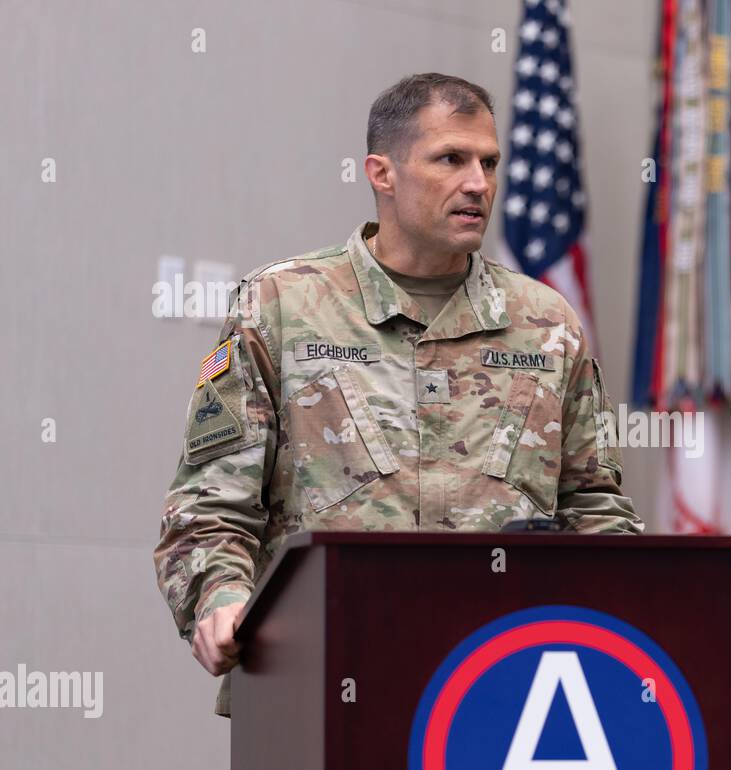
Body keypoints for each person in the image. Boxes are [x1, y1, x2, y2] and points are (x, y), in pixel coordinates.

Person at [154, 73, 643, 717]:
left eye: (489, 163)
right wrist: (219, 601)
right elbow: (208, 509)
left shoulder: (546, 322)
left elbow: (594, 509)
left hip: (508, 693)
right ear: (382, 173)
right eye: (451, 159)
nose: (479, 184)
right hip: (325, 687)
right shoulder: (280, 305)